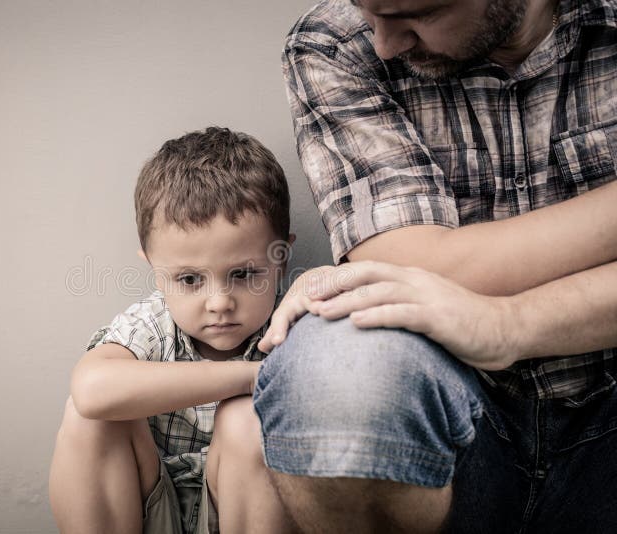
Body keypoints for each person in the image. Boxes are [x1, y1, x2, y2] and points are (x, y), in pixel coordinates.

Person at [252, 0, 617, 532]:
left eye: (415, 14)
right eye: (365, 8)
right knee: (335, 370)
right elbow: (409, 269)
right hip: (461, 416)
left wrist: (511, 325)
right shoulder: (335, 42)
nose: (383, 42)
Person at [48, 127, 297, 534]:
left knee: (247, 419)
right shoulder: (155, 325)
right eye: (189, 280)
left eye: (243, 273)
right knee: (90, 415)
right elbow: (91, 389)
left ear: (281, 260)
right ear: (154, 270)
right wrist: (251, 376)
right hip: (147, 509)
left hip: (243, 510)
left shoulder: (291, 329)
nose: (218, 302)